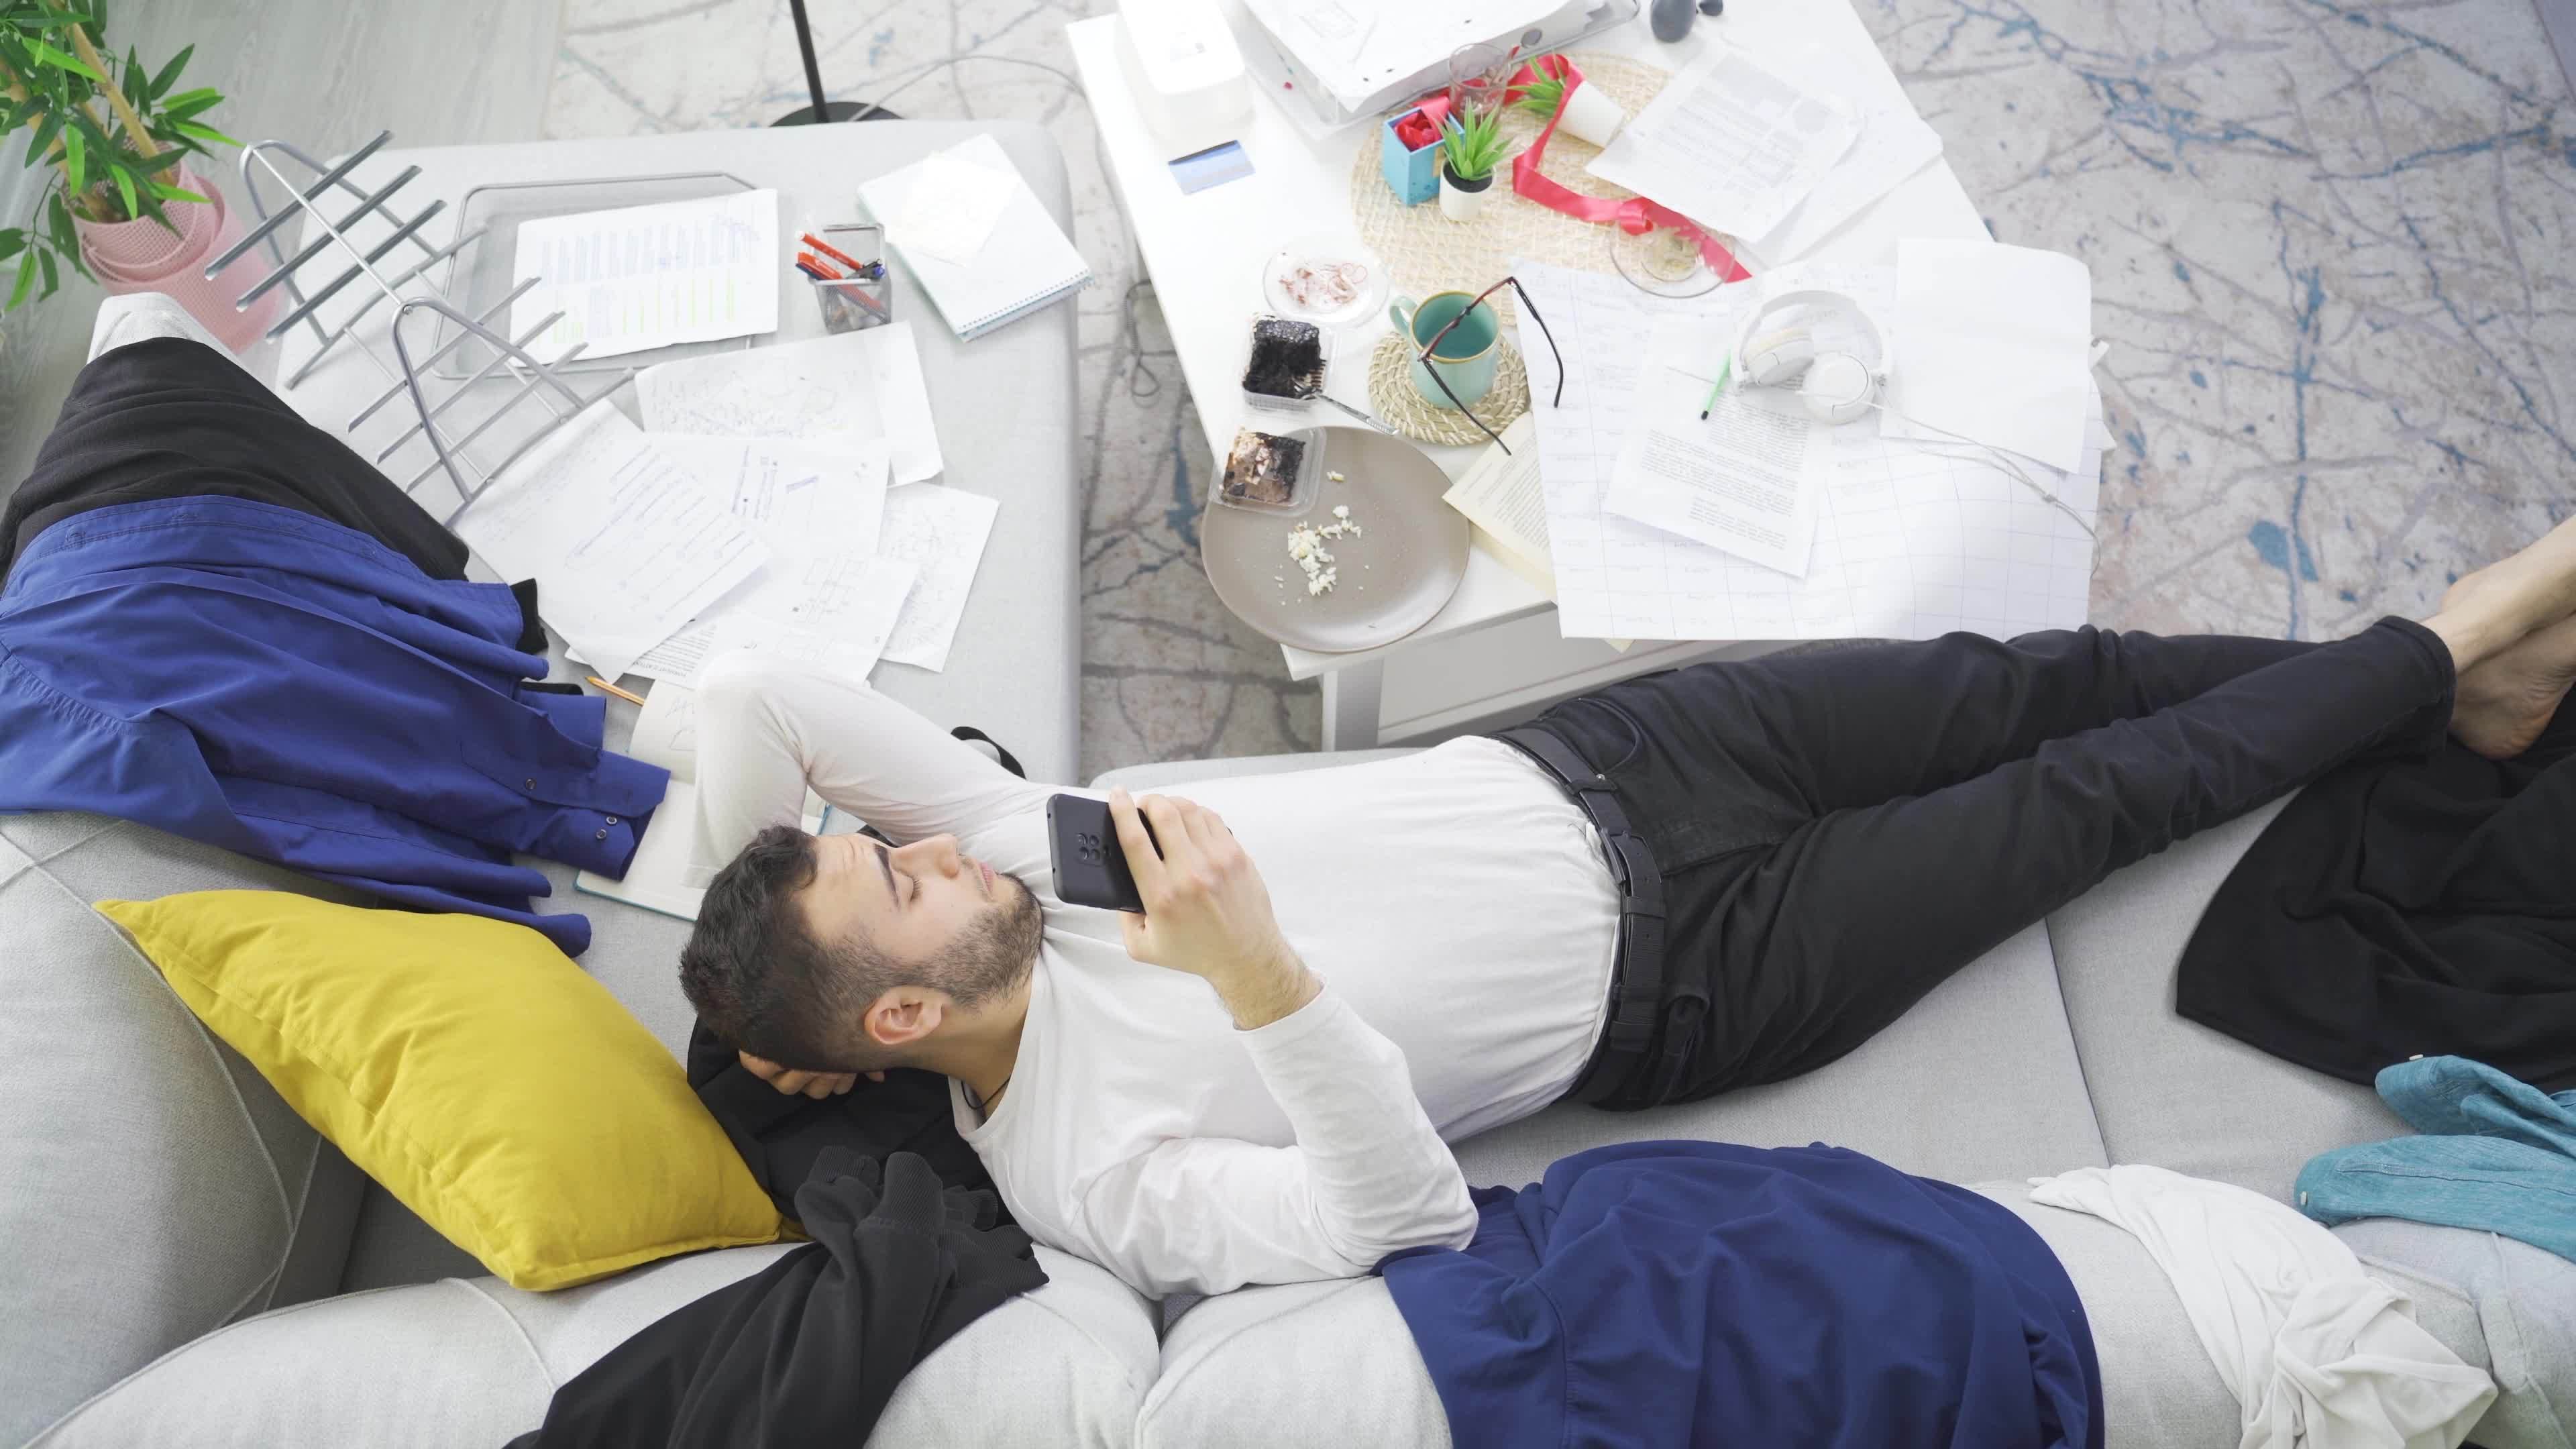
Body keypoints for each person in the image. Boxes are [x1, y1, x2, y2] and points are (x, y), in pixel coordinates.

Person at [676, 525, 2576, 1299]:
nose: (930, 837)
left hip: (1616, 762)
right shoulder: (1088, 1166)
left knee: (2046, 672)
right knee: (2102, 795)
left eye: (887, 839)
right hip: (1708, 974)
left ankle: (2462, 690)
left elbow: (761, 695)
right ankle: (2500, 608)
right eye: (894, 882)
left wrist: (758, 993)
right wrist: (1261, 980)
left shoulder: (1009, 843)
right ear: (906, 1024)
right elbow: (1393, 1216)